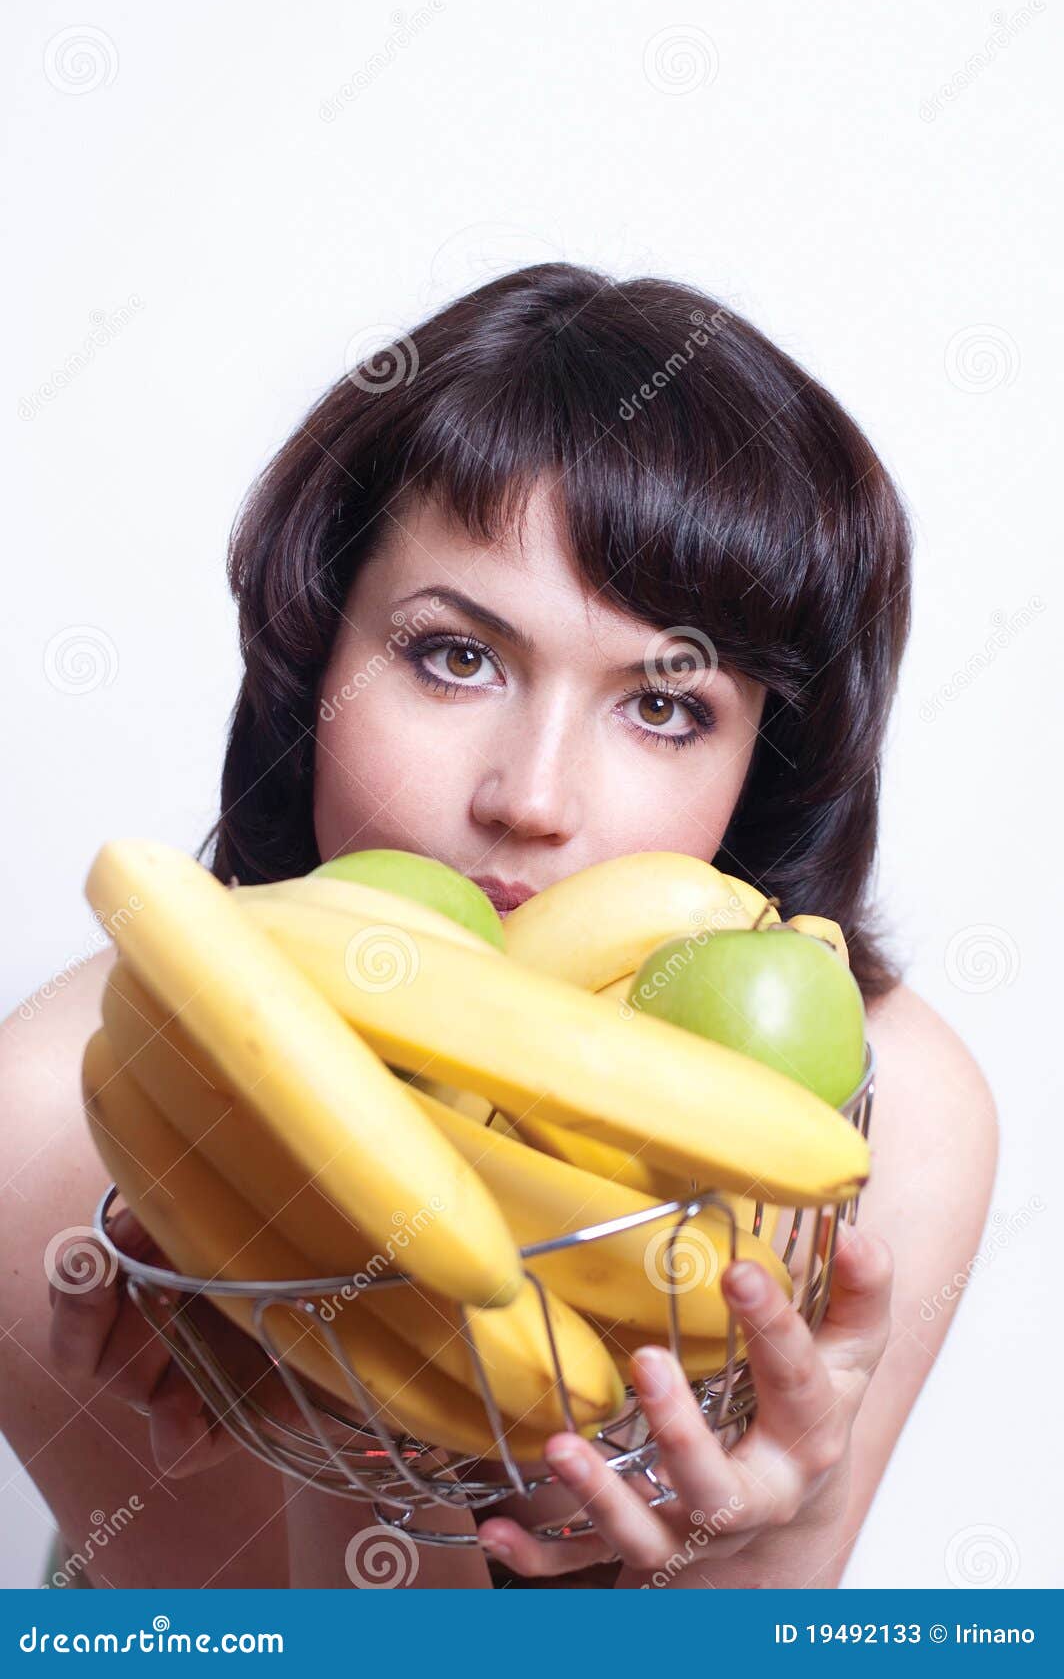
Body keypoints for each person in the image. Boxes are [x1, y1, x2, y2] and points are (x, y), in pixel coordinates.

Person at [0, 263, 998, 1588]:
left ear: (767, 761)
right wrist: (350, 1447)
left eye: (664, 704)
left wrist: (785, 1519)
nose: (529, 799)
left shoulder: (875, 1121)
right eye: (454, 654)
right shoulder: (65, 1131)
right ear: (313, 656)